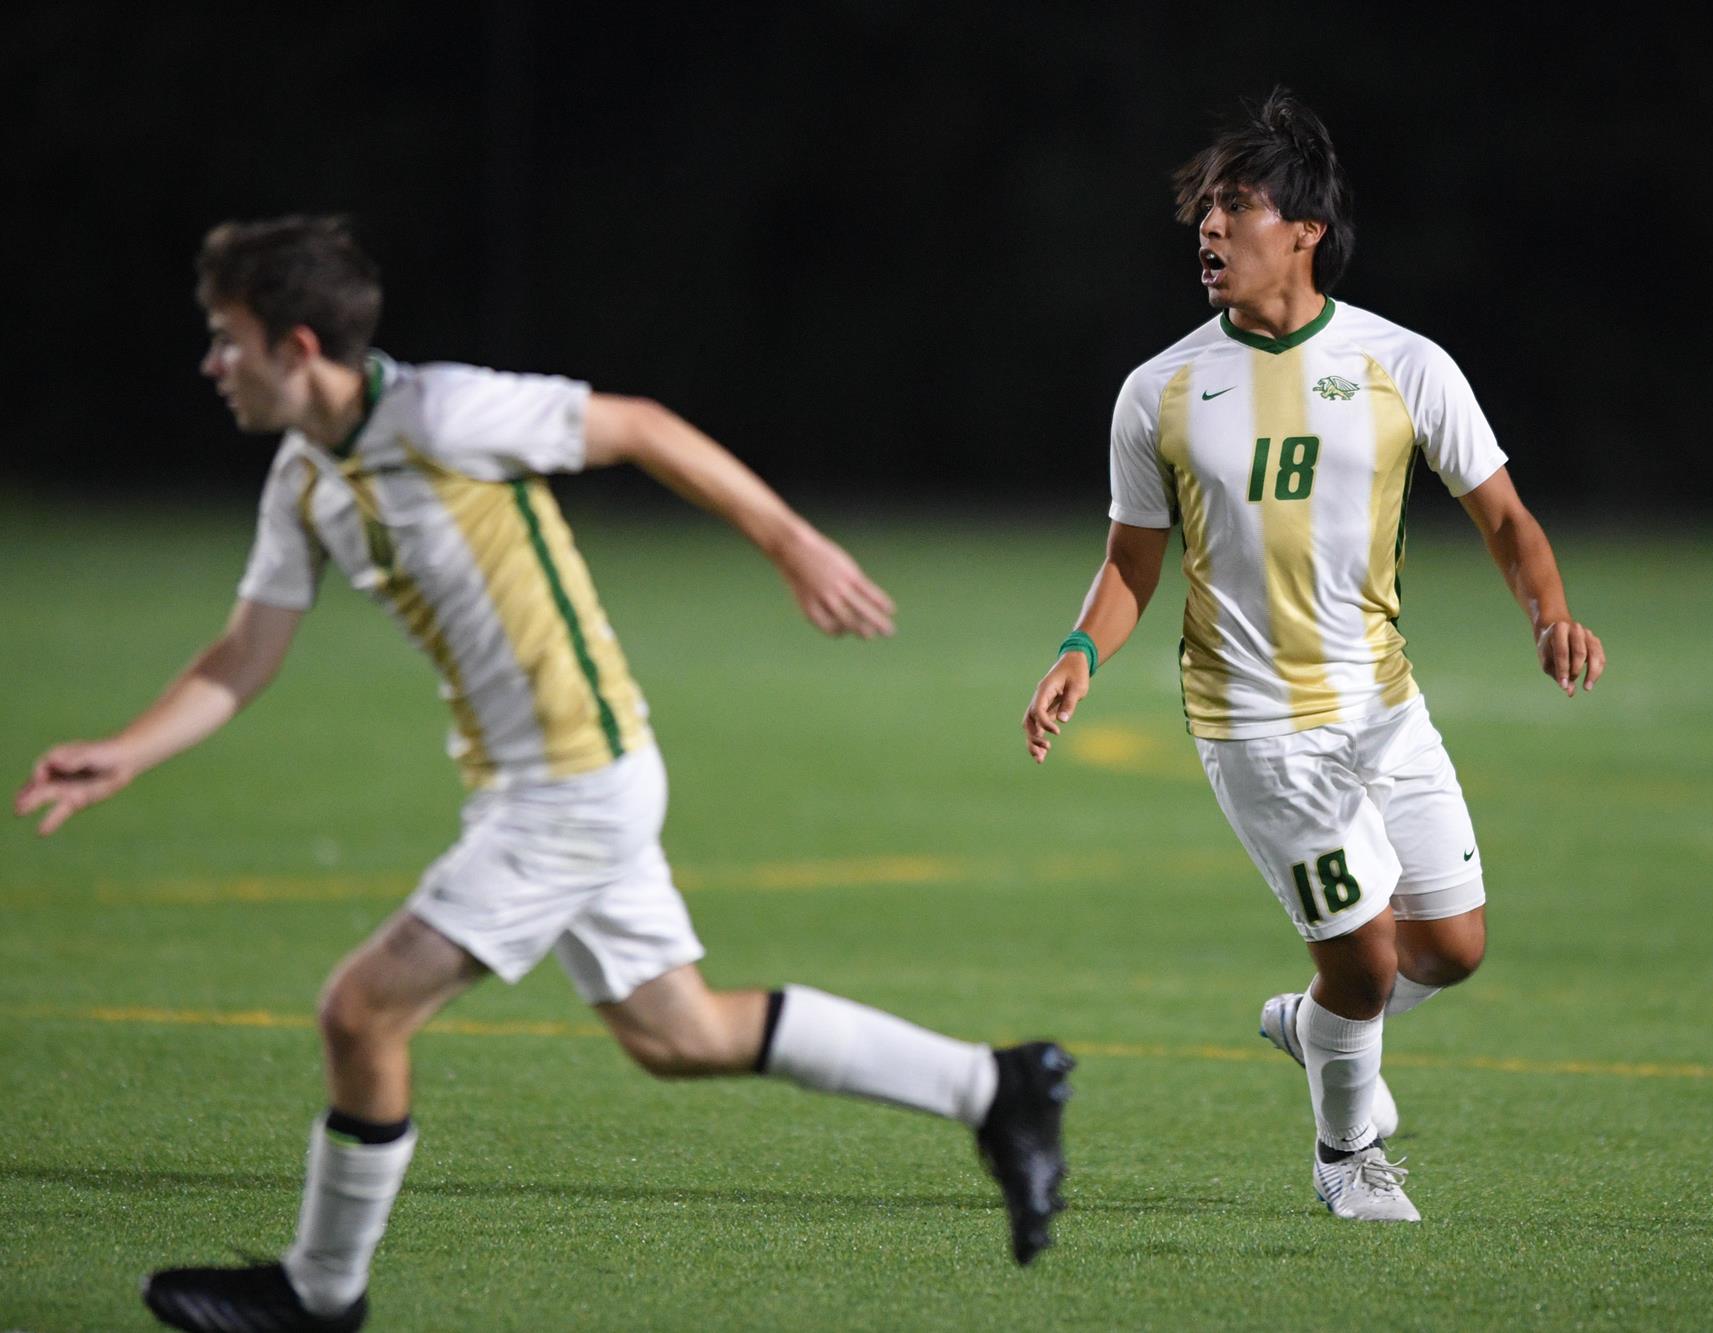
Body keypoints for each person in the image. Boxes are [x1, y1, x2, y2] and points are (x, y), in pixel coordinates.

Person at [15, 216, 1073, 1333]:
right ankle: (994, 1086)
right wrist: (126, 748)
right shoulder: (303, 478)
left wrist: (790, 542)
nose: (212, 363)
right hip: (545, 786)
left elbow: (640, 426)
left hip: (570, 785)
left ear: (300, 346)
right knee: (680, 1035)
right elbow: (245, 653)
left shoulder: (442, 412)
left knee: (359, 1013)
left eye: (228, 338)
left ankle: (319, 1291)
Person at [1021, 91, 1603, 1223]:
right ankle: (1347, 1154)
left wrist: (1549, 612)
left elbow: (1504, 517)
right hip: (1255, 723)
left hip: (1383, 703)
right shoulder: (1159, 390)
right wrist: (1079, 649)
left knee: (1452, 946)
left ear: (1304, 230)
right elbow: (1132, 561)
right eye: (1204, 209)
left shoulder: (1402, 363)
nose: (1208, 228)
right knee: (1366, 960)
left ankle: (1316, 1026)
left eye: (1234, 206)